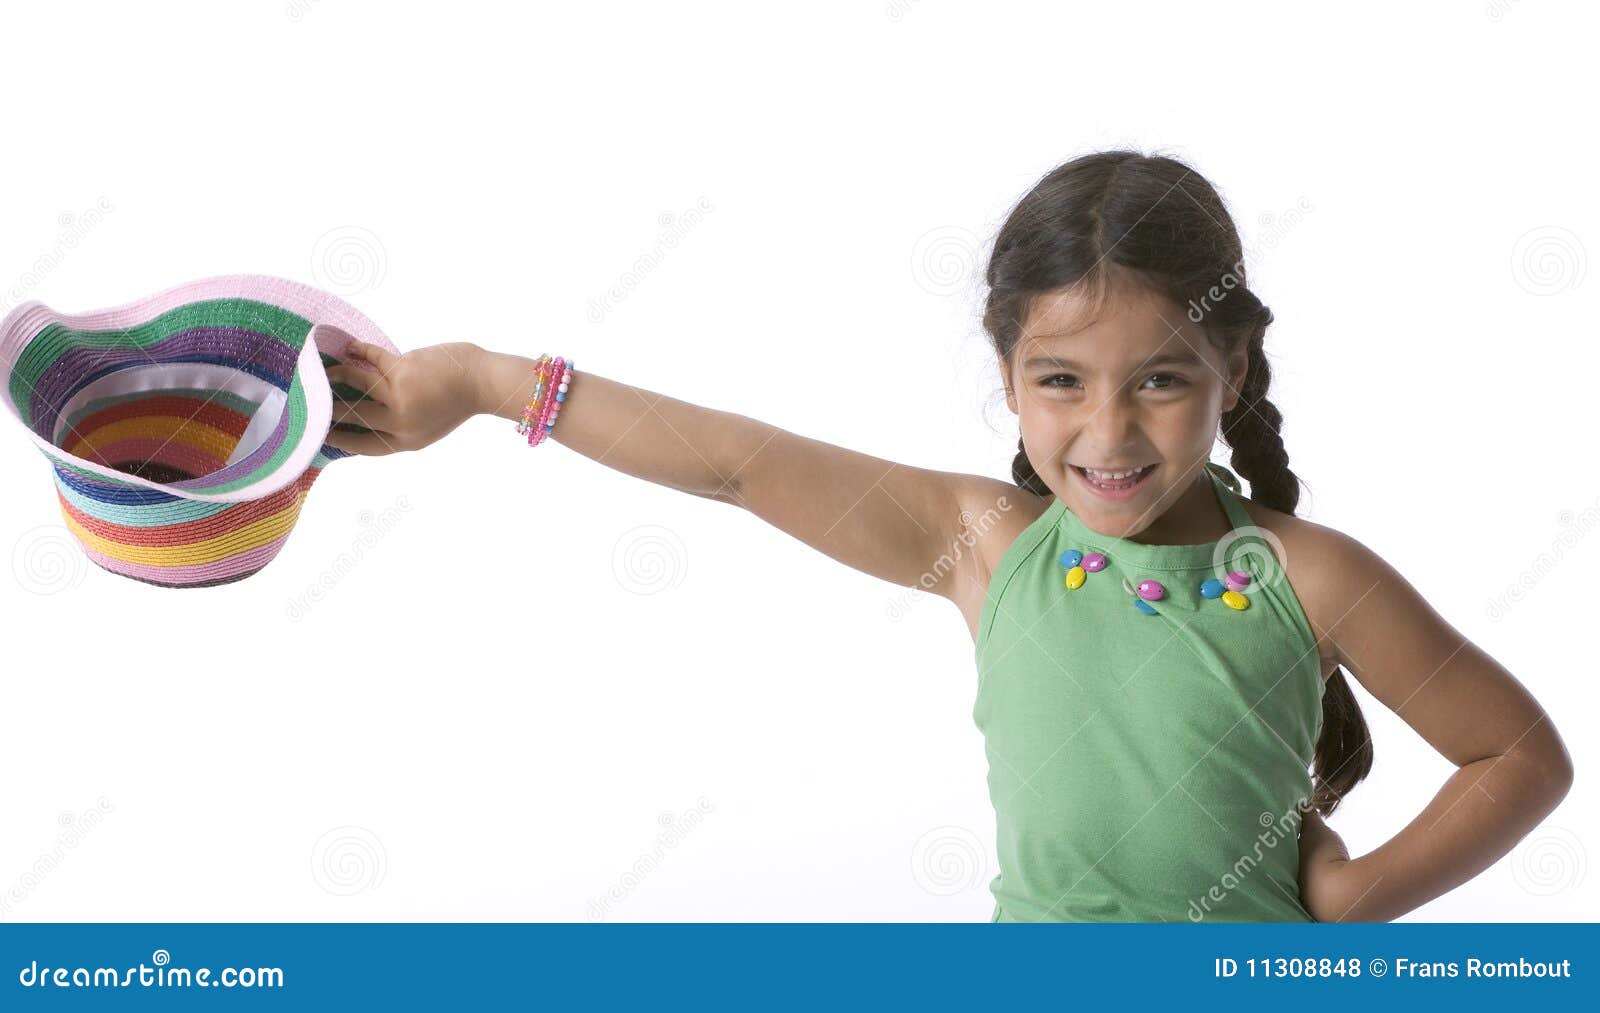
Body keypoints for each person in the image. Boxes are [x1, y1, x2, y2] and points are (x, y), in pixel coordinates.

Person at [321, 150, 1574, 922]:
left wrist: (1352, 902)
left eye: (1160, 378)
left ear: (1232, 366)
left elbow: (1517, 753)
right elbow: (739, 465)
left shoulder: (1307, 572)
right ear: (1007, 372)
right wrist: (489, 380)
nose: (1107, 430)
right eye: (1061, 381)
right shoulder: (986, 542)